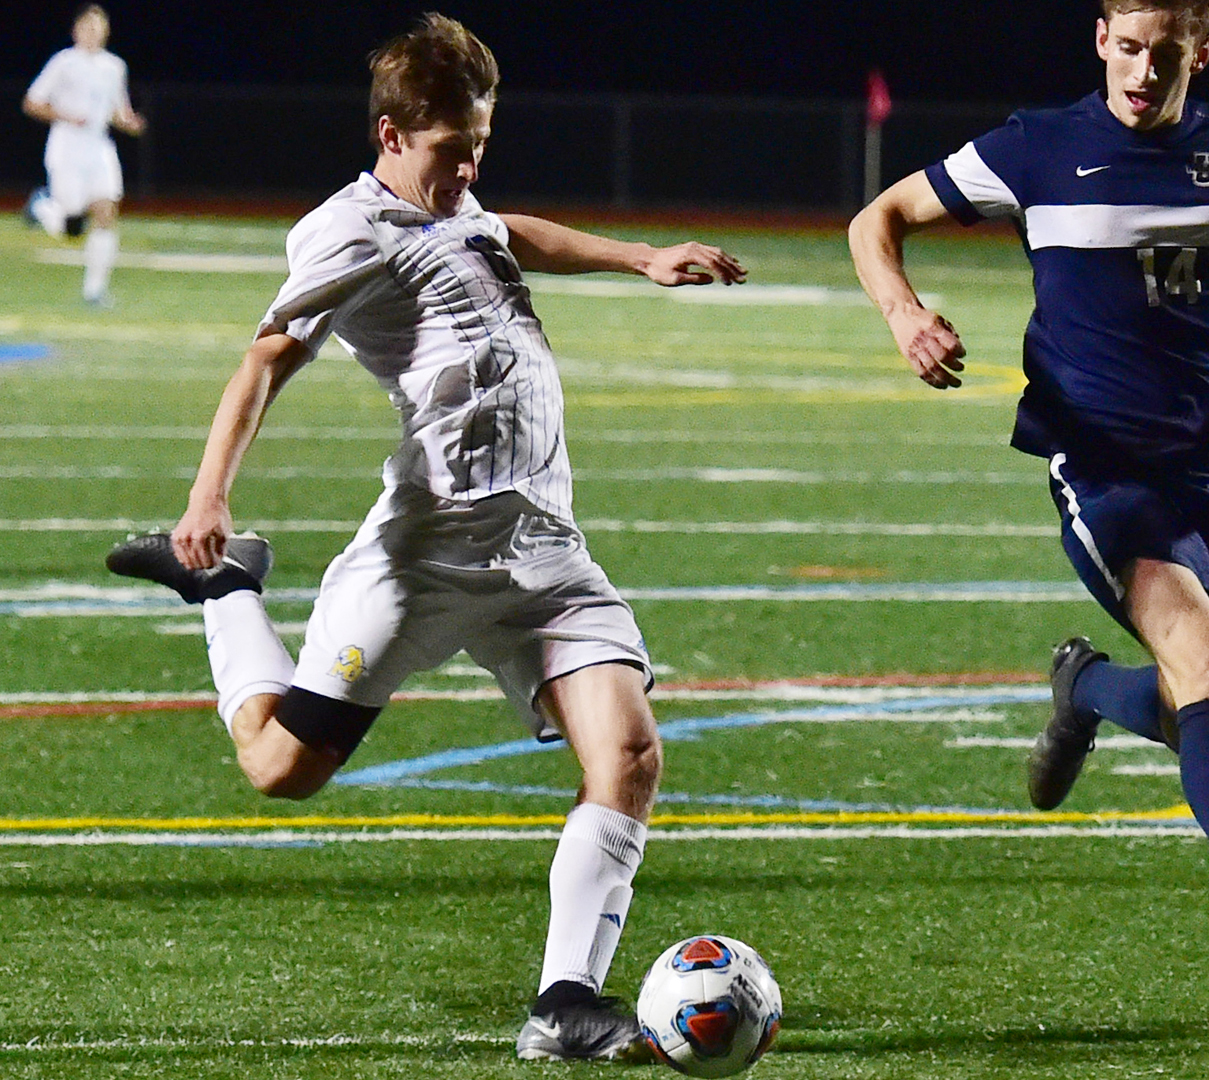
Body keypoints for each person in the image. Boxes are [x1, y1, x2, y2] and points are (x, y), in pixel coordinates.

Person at [103, 14, 747, 1061]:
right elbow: (266, 360)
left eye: (481, 147)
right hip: (423, 558)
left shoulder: (456, 203)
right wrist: (208, 494)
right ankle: (228, 592)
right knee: (281, 769)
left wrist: (640, 258)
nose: (471, 167)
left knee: (627, 755)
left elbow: (505, 231)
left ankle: (565, 1002)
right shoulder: (344, 232)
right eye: (454, 151)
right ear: (393, 134)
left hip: (544, 553)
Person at [849, 0, 1209, 1010]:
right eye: (1126, 50)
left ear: (1202, 51)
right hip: (1104, 468)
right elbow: (877, 219)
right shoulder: (1038, 147)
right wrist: (904, 314)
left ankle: (1084, 691)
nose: (1142, 74)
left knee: (1196, 702)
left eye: (1166, 55)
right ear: (1098, 40)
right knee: (1205, 671)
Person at [22, 4, 145, 306]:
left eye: (98, 27)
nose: (92, 33)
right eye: (87, 27)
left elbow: (118, 110)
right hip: (67, 147)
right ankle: (40, 207)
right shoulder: (63, 63)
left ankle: (95, 291)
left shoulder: (114, 66)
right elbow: (32, 102)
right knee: (73, 226)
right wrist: (66, 115)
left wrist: (128, 122)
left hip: (99, 148)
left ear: (106, 31)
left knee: (106, 212)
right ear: (76, 31)